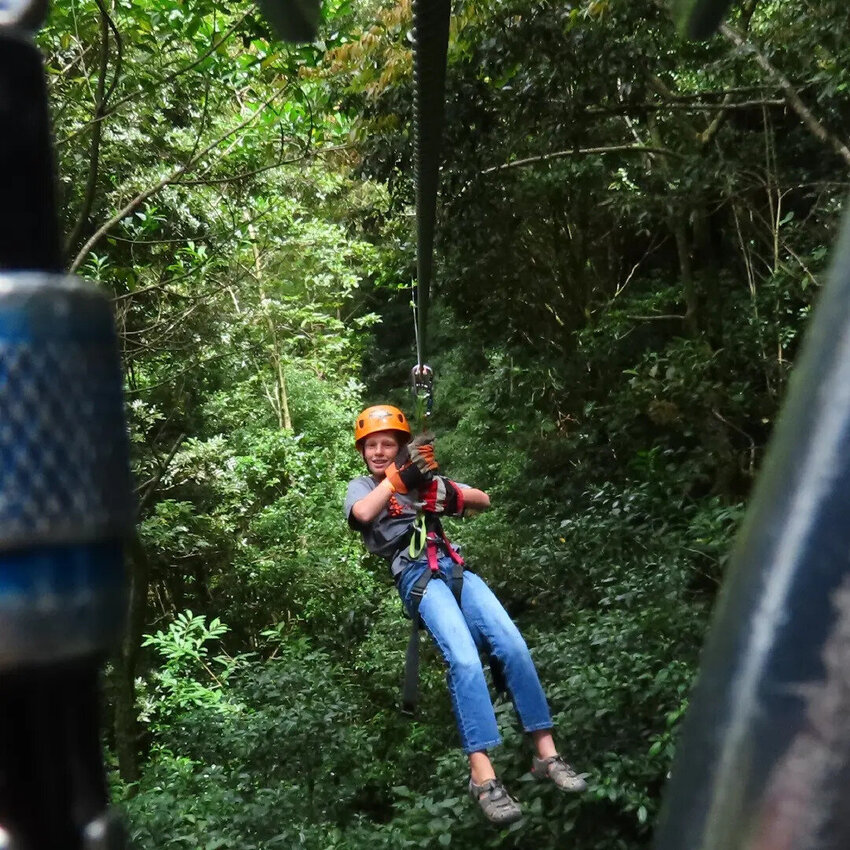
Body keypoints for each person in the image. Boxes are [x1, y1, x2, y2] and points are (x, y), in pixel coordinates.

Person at [344, 404, 587, 825]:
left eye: (388, 445)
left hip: (454, 567)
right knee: (464, 659)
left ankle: (547, 754)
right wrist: (397, 481)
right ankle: (483, 777)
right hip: (416, 575)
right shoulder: (364, 486)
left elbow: (483, 500)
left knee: (512, 645)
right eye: (372, 446)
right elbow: (362, 515)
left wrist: (443, 493)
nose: (379, 452)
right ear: (363, 453)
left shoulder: (421, 482)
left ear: (402, 448)